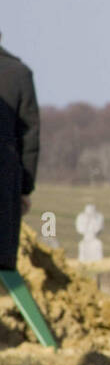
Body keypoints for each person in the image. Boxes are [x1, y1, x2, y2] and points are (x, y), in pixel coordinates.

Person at [0, 32, 39, 270]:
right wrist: (24, 187)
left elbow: (30, 134)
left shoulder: (17, 73)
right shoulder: (19, 73)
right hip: (6, 182)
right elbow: (30, 135)